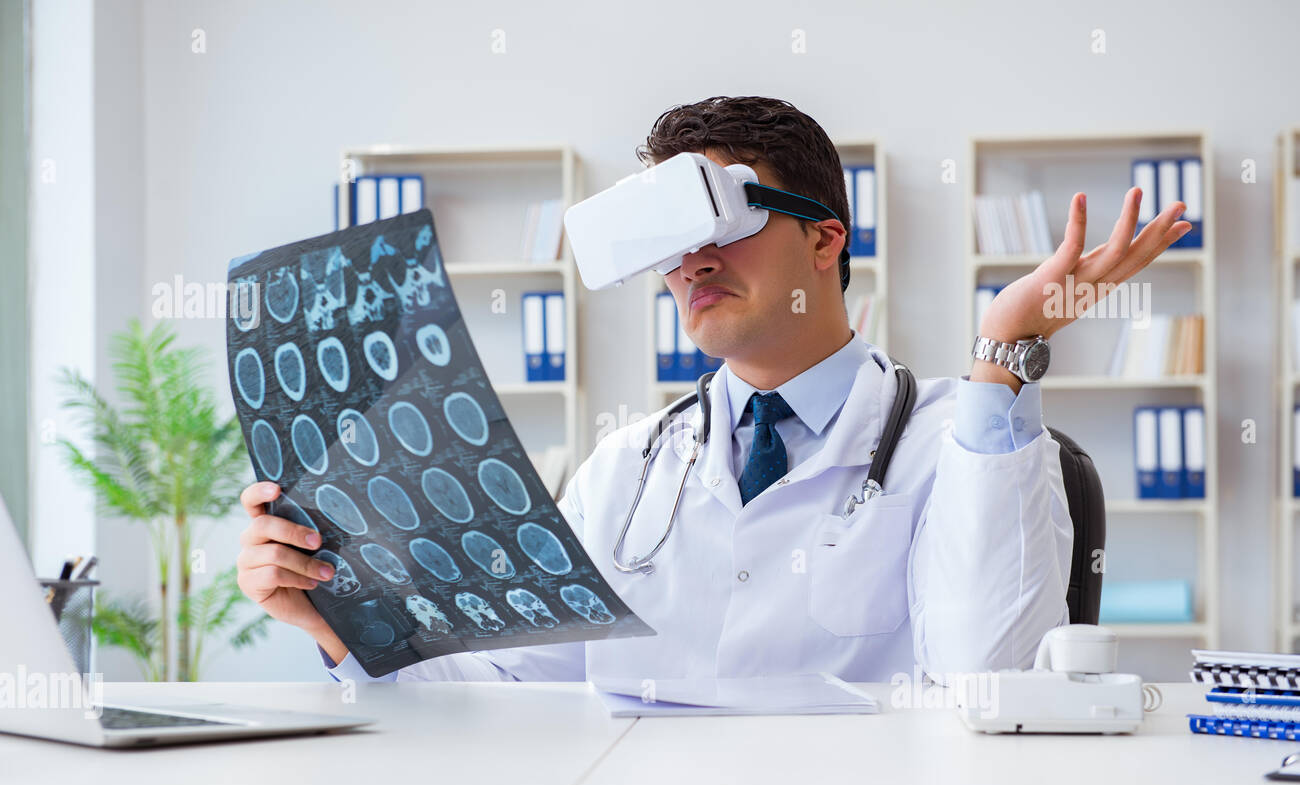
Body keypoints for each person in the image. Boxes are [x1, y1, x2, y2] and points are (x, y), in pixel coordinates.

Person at [236, 95, 1191, 684]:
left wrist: (1006, 353)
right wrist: (336, 625)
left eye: (719, 216)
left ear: (825, 239)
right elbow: (508, 688)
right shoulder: (627, 466)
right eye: (666, 235)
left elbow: (991, 676)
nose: (689, 260)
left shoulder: (960, 438)